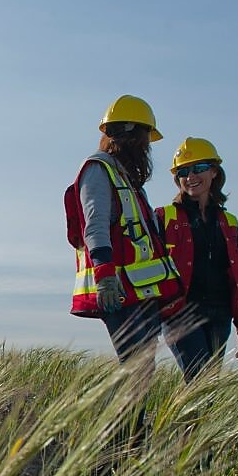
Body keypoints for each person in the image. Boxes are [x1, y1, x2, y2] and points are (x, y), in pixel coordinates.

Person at [67, 95, 184, 368]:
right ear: (132, 135)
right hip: (117, 289)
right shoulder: (98, 170)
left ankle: (133, 414)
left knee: (142, 369)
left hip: (141, 291)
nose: (147, 147)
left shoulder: (127, 180)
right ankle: (121, 413)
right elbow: (93, 225)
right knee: (135, 368)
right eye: (146, 138)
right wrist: (105, 276)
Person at [158, 137, 238, 382]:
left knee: (207, 386)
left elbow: (237, 275)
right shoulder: (163, 217)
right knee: (199, 378)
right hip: (180, 313)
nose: (191, 176)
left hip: (219, 313)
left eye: (199, 168)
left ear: (214, 171)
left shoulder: (229, 222)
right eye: (183, 171)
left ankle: (186, 423)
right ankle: (179, 421)